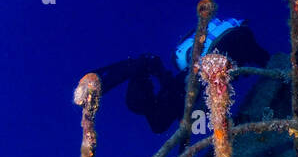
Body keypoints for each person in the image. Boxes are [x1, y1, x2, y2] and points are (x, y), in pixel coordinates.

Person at [91, 18, 270, 133]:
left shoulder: (200, 68)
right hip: (236, 40)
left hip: (217, 55)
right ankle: (142, 69)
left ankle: (141, 69)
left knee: (162, 121)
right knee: (180, 116)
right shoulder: (234, 38)